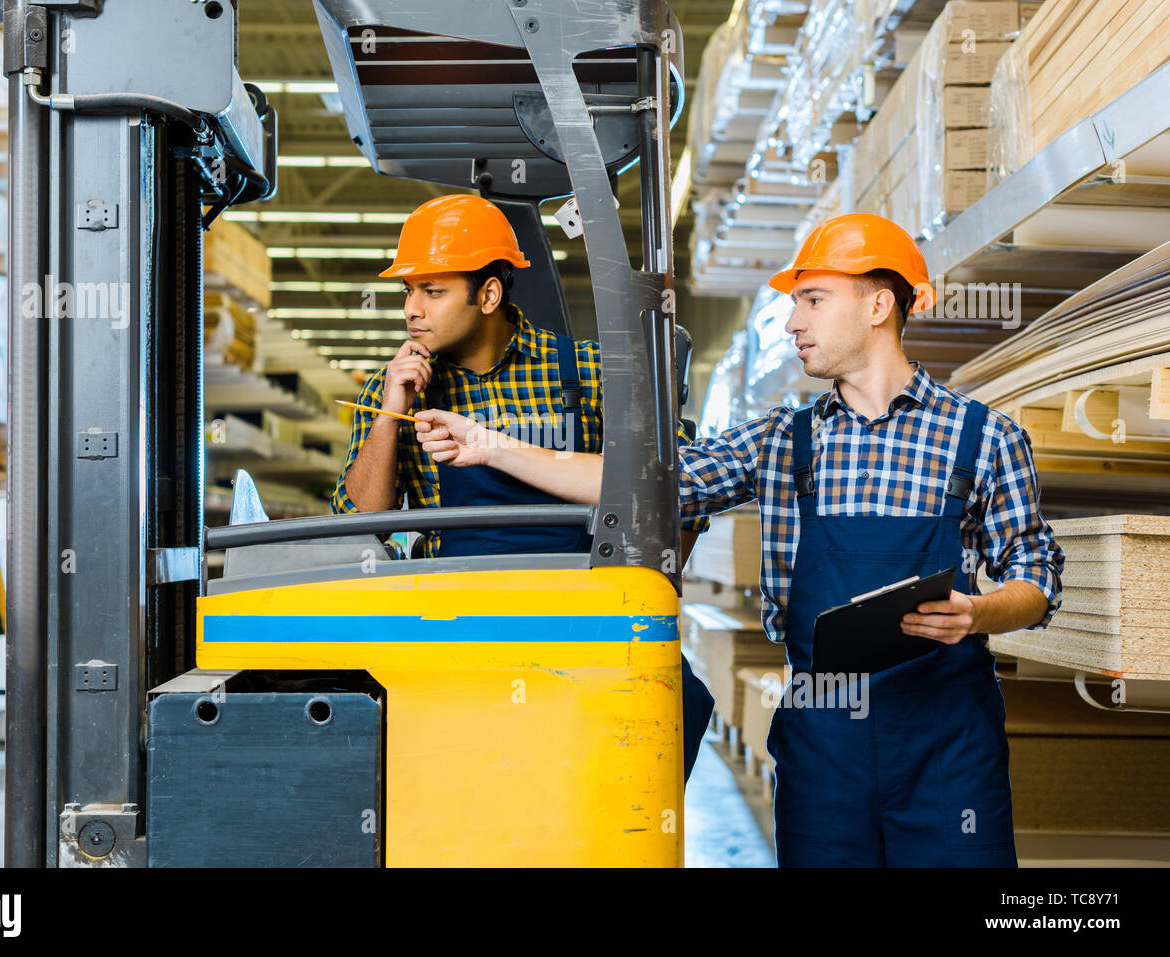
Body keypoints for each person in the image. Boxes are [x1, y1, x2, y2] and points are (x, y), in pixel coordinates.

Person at [413, 212, 1066, 866]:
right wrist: (488, 443)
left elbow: (1036, 578)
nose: (792, 323)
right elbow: (639, 483)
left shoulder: (984, 437)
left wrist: (979, 611)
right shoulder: (783, 440)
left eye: (812, 299)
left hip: (946, 749)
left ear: (878, 304)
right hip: (824, 751)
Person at [330, 193, 715, 780]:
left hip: (580, 630)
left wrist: (638, 592)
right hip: (455, 633)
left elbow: (683, 495)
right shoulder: (400, 389)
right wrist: (389, 412)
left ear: (488, 294)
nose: (412, 308)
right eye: (408, 290)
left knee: (670, 704)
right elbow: (359, 520)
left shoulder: (585, 372)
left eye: (432, 291)